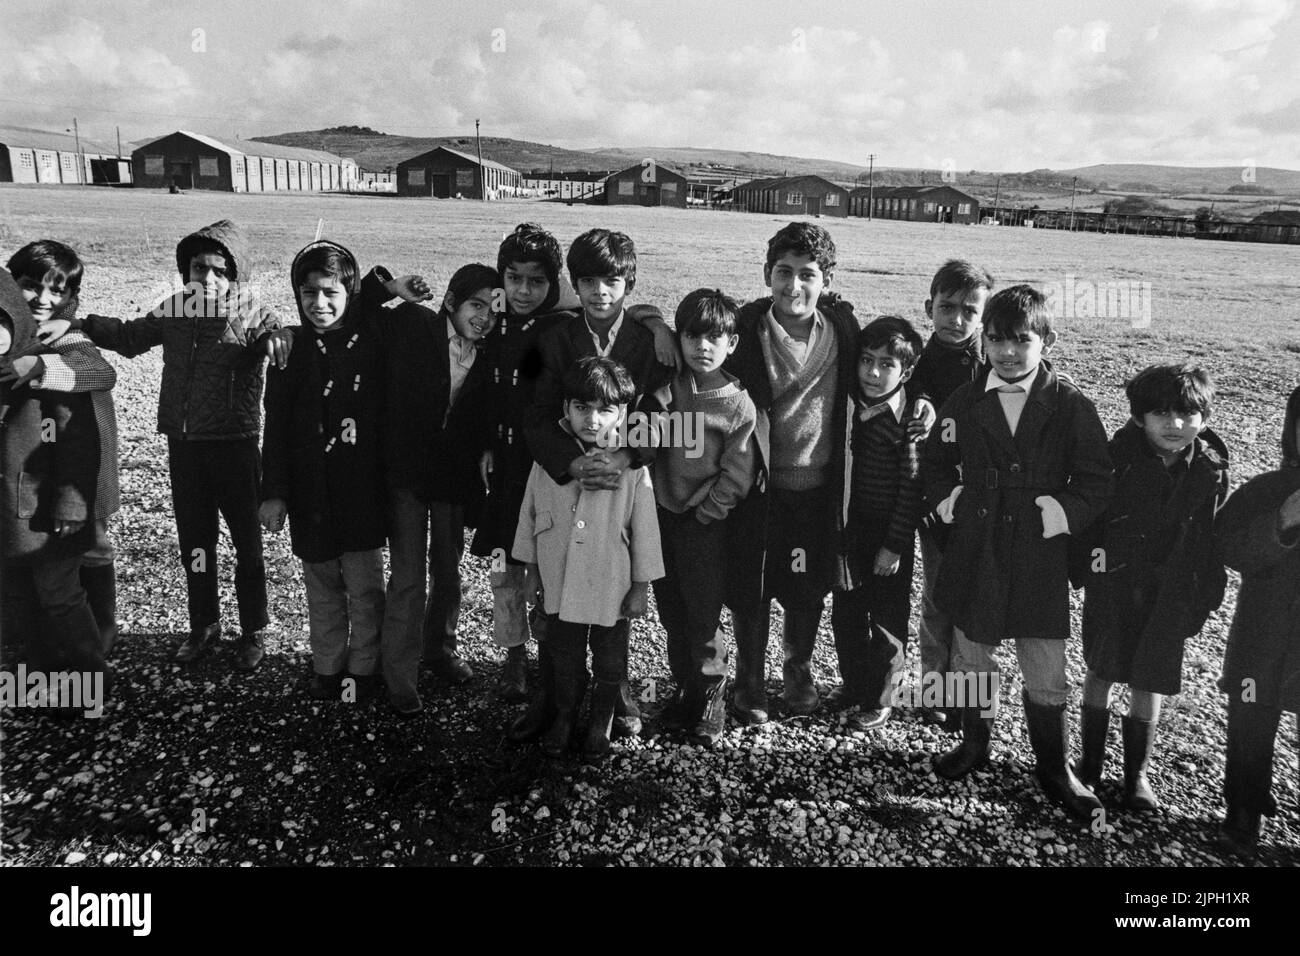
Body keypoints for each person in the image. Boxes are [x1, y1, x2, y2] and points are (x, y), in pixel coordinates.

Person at [43, 220, 289, 671]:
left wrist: (279, 339)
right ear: (186, 272)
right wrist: (81, 324)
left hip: (235, 447)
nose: (208, 279)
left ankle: (254, 629)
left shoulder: (254, 314)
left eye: (219, 270)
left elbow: (281, 335)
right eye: (199, 269)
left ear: (235, 273)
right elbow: (131, 337)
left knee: (247, 546)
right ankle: (204, 625)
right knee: (195, 543)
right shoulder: (175, 309)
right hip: (185, 447)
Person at [721, 222, 932, 725]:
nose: (794, 286)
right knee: (752, 585)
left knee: (807, 587)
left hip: (819, 494)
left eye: (807, 275)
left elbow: (898, 362)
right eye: (784, 273)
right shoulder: (745, 328)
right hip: (758, 489)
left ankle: (798, 672)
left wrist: (922, 398)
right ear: (767, 274)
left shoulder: (844, 330)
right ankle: (750, 682)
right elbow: (695, 337)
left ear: (827, 280)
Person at [923, 284, 1113, 821]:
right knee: (971, 650)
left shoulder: (1070, 404)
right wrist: (950, 502)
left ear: (1046, 340)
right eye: (997, 340)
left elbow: (1098, 483)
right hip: (977, 547)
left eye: (1022, 341)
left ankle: (1054, 766)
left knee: (1045, 662)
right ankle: (974, 744)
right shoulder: (963, 400)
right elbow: (934, 465)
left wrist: (1059, 515)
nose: (1008, 352)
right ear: (984, 341)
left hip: (1038, 553)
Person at [471, 223, 673, 704]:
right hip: (562, 480)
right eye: (587, 283)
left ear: (631, 283)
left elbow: (668, 412)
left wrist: (627, 455)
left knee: (614, 578)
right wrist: (570, 464)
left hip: (620, 485)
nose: (600, 293)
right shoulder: (556, 337)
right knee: (553, 577)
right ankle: (553, 682)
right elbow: (536, 414)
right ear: (574, 284)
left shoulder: (649, 344)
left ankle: (613, 686)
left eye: (611, 283)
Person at [1074, 364, 1228, 811]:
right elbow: (1091, 519)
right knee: (1101, 668)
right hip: (1115, 584)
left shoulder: (1211, 471)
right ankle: (1089, 763)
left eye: (1187, 413)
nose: (1175, 424)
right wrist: (1086, 570)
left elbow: (1212, 538)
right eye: (1161, 413)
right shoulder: (1115, 458)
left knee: (1150, 677)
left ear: (1205, 417)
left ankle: (1136, 775)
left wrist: (1205, 594)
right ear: (1139, 416)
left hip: (1171, 591)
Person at [513, 356, 664, 759]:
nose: (592, 420)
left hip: (610, 584)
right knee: (565, 656)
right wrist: (530, 571)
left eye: (605, 410)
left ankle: (601, 722)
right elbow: (530, 513)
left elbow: (645, 529)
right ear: (566, 408)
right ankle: (564, 716)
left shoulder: (632, 466)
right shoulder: (551, 456)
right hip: (558, 578)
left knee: (610, 659)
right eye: (582, 408)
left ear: (624, 413)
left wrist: (640, 587)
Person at [259, 241, 389, 702]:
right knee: (322, 587)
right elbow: (274, 429)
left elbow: (372, 299)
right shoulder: (288, 351)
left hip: (360, 492)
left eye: (332, 293)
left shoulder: (368, 339)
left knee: (366, 588)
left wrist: (385, 285)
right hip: (310, 492)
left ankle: (364, 668)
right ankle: (329, 667)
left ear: (348, 293)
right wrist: (272, 492)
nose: (320, 304)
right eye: (309, 293)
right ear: (297, 293)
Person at [378, 263, 498, 716]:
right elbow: (358, 313)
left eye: (493, 309)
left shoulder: (489, 354)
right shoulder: (414, 325)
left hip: (452, 478)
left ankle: (439, 649)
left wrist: (488, 447)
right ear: (449, 302)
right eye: (476, 305)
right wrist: (390, 287)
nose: (485, 316)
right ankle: (400, 675)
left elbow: (489, 411)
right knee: (408, 577)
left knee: (448, 572)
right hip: (406, 475)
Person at [643, 288, 758, 745]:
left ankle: (712, 695)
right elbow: (638, 309)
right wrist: (656, 327)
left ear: (732, 343)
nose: (702, 347)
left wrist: (708, 513)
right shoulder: (668, 386)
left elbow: (738, 474)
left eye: (714, 338)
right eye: (692, 336)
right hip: (661, 517)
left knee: (703, 612)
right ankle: (685, 690)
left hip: (703, 527)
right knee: (669, 608)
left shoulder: (737, 404)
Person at [0, 270, 110, 711]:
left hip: (46, 515)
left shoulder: (47, 369)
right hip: (8, 517)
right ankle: (42, 670)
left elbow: (78, 443)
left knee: (61, 595)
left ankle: (92, 675)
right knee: (22, 595)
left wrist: (71, 503)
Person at [10, 240, 120, 656]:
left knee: (93, 545)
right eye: (31, 286)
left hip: (90, 462)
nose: (44, 299)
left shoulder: (65, 335)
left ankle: (104, 627)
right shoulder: (16, 329)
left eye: (57, 291)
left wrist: (41, 366)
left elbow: (100, 370)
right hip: (59, 462)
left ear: (71, 297)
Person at [1212, 384, 1300, 861]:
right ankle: (1243, 810)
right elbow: (1229, 547)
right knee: (1249, 720)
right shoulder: (1268, 490)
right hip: (1260, 637)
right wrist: (1281, 523)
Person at [907, 260, 994, 730]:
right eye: (947, 307)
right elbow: (908, 393)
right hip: (935, 502)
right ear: (929, 307)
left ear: (984, 316)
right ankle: (934, 689)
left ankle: (969, 697)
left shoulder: (994, 360)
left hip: (988, 503)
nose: (956, 319)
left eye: (968, 310)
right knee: (938, 598)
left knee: (976, 602)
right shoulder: (917, 361)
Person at [828, 316, 925, 731]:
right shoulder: (848, 407)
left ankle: (882, 696)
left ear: (905, 372)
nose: (872, 372)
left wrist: (895, 545)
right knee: (846, 612)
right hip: (850, 532)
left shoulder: (910, 423)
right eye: (866, 360)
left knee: (886, 620)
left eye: (886, 364)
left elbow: (912, 489)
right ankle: (854, 685)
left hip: (888, 534)